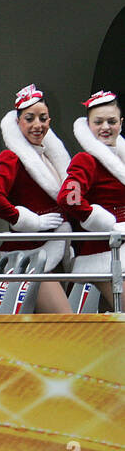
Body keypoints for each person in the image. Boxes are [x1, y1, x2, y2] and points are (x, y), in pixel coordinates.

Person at [0, 85, 72, 313]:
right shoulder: (11, 157)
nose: (37, 125)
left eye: (43, 118)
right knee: (67, 324)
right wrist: (29, 221)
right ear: (18, 122)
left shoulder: (52, 158)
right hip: (31, 255)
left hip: (59, 250)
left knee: (51, 333)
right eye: (29, 119)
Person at [57, 90, 124, 306]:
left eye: (111, 121)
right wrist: (102, 221)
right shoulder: (86, 160)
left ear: (121, 123)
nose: (106, 127)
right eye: (99, 122)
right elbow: (69, 197)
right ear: (88, 125)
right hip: (103, 257)